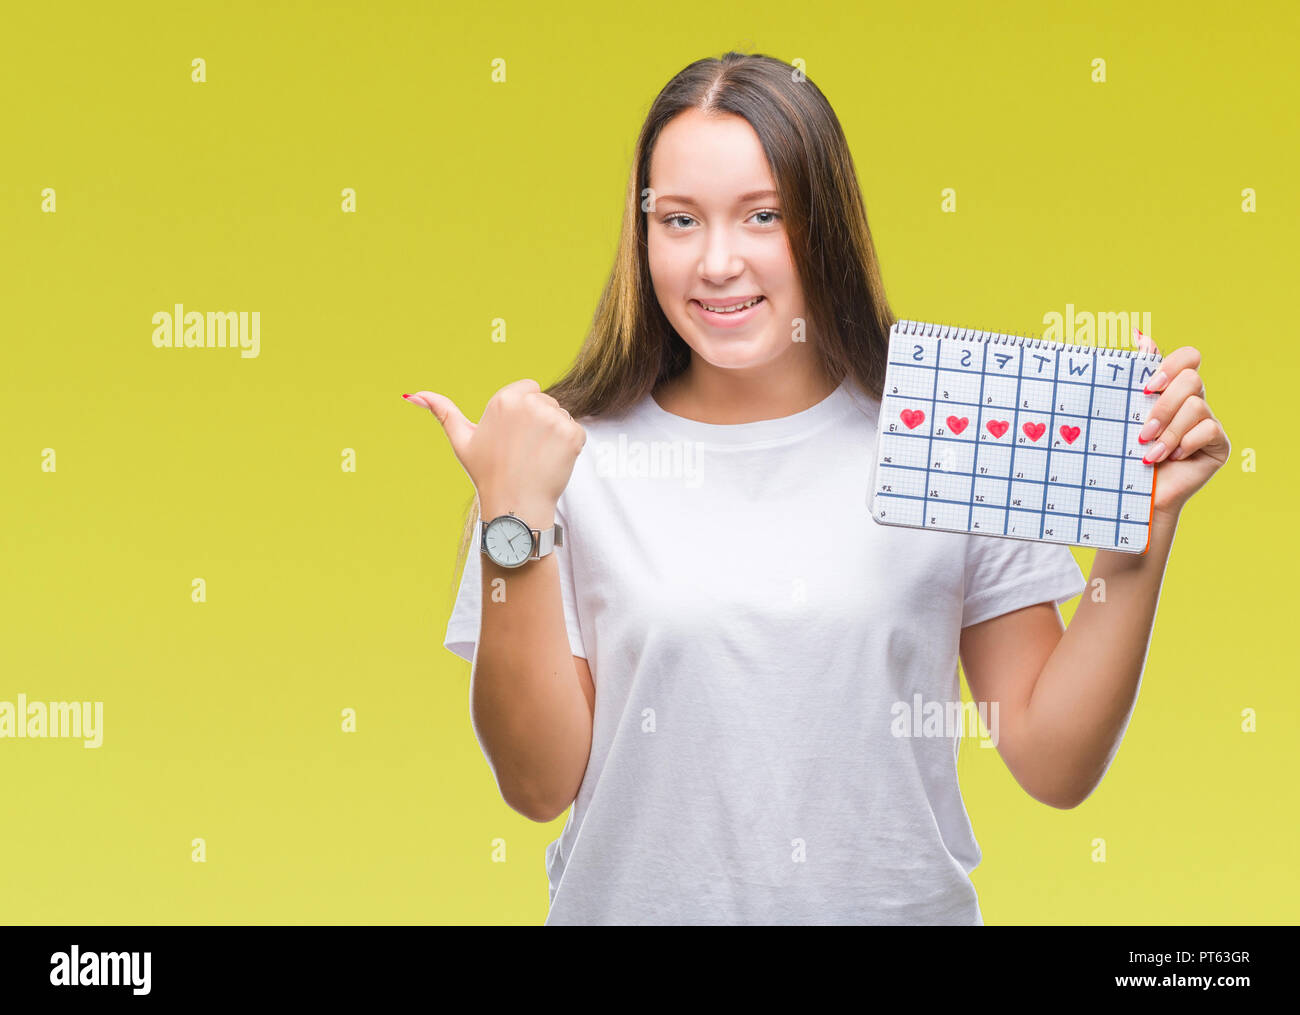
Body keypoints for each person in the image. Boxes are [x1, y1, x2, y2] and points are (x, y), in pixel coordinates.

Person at [404, 52, 1229, 925]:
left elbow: (1052, 761)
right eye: (679, 220)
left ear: (823, 225)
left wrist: (1142, 535)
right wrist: (511, 519)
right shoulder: (566, 459)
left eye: (764, 216)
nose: (717, 262)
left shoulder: (951, 427)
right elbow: (536, 784)